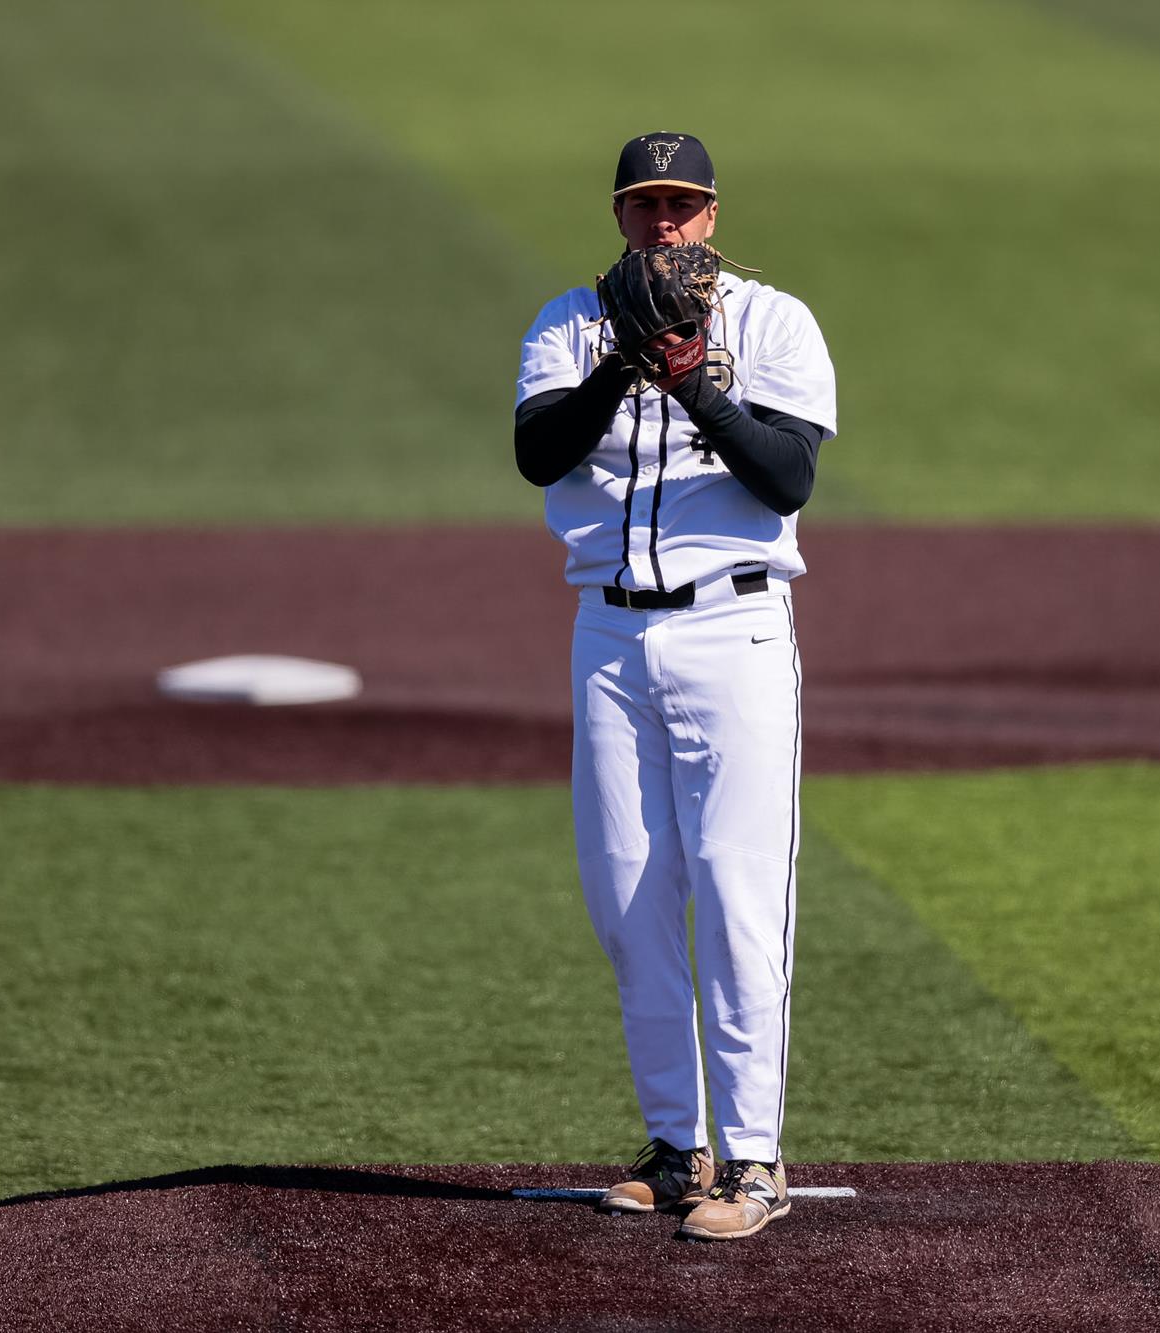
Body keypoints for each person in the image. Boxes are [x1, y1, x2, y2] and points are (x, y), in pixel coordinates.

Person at [513, 132, 837, 1241]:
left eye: (682, 203)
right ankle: (674, 1145)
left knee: (739, 896)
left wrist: (691, 376)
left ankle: (753, 1159)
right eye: (646, 203)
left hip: (733, 631)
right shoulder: (567, 324)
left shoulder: (775, 322)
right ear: (618, 214)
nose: (665, 221)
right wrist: (621, 361)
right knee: (628, 895)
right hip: (607, 639)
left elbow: (786, 475)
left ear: (711, 212)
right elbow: (539, 453)